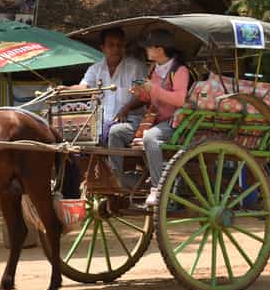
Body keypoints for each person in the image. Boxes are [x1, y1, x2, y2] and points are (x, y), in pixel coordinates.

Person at [108, 28, 190, 205]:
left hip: (173, 121)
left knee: (150, 138)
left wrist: (153, 89)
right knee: (116, 132)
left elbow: (180, 99)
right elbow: (150, 98)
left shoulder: (180, 70)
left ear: (159, 50)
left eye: (149, 47)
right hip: (152, 120)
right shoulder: (154, 69)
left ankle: (157, 188)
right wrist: (141, 93)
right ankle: (117, 179)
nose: (146, 50)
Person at [65, 27, 149, 143]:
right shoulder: (95, 69)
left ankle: (112, 162)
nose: (116, 49)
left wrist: (126, 108)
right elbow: (84, 88)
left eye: (119, 45)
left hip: (129, 121)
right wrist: (66, 89)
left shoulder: (136, 67)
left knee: (114, 131)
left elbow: (144, 96)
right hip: (101, 122)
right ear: (103, 48)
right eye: (111, 45)